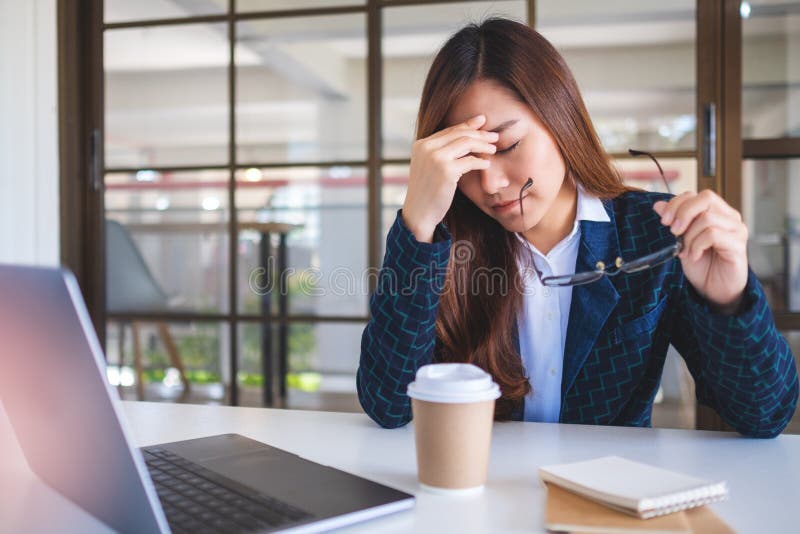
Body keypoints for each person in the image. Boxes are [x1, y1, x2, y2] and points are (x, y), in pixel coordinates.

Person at [357, 18, 798, 438]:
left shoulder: (655, 233)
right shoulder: (442, 244)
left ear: (560, 119)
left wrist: (729, 299)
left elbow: (765, 415)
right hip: (477, 480)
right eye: (468, 161)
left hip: (608, 485)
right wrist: (417, 224)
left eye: (508, 146)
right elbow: (388, 404)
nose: (490, 183)